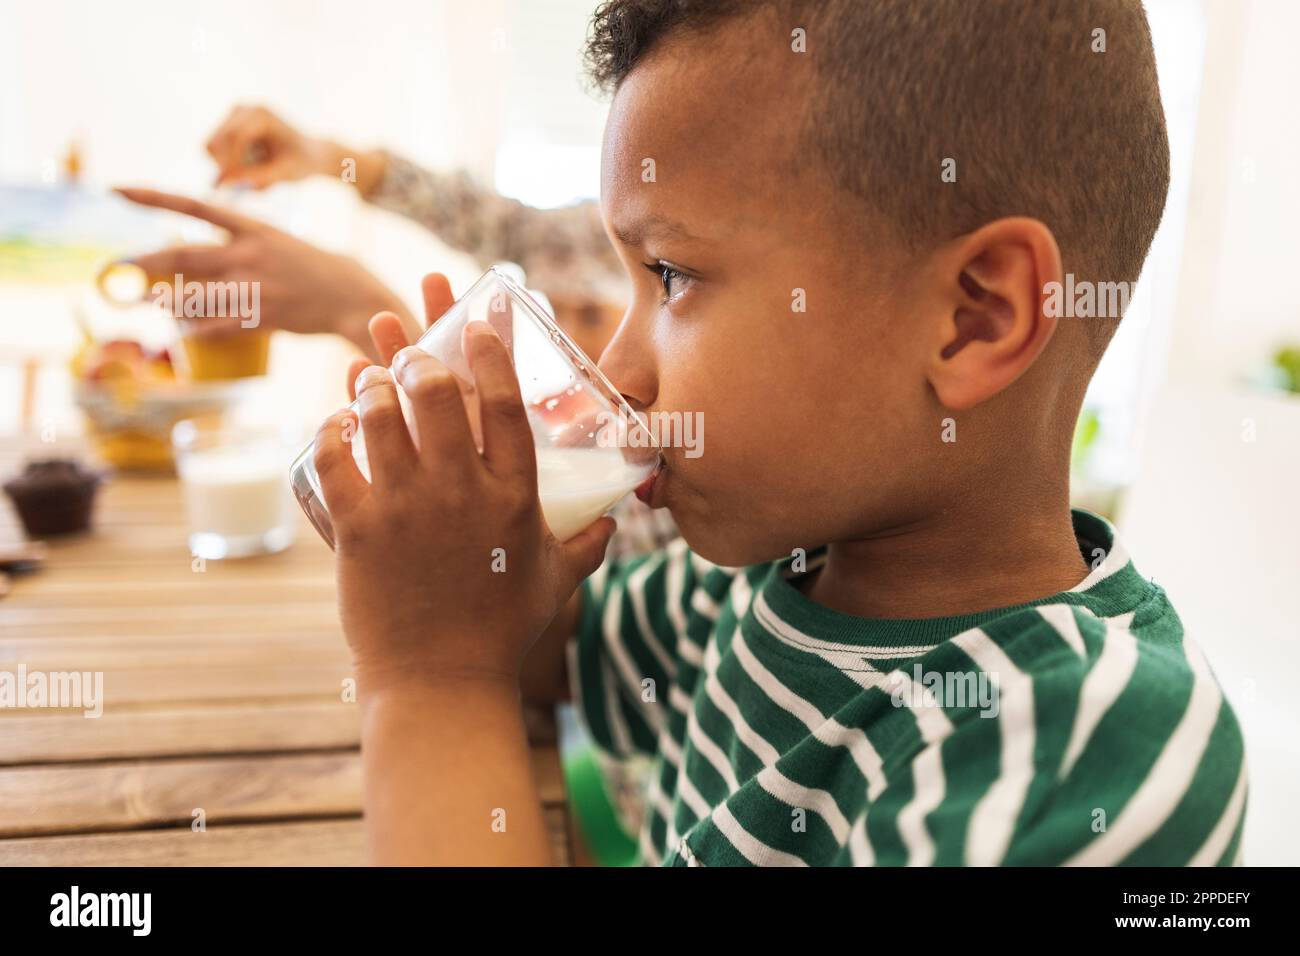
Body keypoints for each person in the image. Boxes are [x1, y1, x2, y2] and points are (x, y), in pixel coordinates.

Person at [314, 0, 1247, 866]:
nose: (624, 375)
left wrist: (429, 674)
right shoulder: (754, 583)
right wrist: (460, 557)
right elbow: (545, 648)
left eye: (672, 276)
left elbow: (464, 659)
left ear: (973, 318)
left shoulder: (1084, 748)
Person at [115, 106, 626, 364]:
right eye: (559, 314)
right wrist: (326, 159)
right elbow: (486, 217)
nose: (569, 352)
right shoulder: (596, 230)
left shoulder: (664, 497)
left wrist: (359, 307)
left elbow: (546, 537)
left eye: (589, 313)